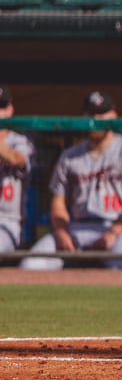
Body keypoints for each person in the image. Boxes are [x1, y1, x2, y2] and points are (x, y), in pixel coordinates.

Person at [20, 91, 122, 271]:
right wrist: (61, 232)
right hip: (77, 228)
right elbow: (58, 203)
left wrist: (113, 232)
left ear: (114, 115)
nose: (96, 119)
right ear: (83, 117)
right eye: (91, 113)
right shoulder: (69, 156)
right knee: (30, 264)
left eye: (102, 113)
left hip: (118, 229)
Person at [0, 86, 36, 254]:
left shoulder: (21, 142)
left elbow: (16, 159)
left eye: (1, 107)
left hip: (7, 222)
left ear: (10, 110)